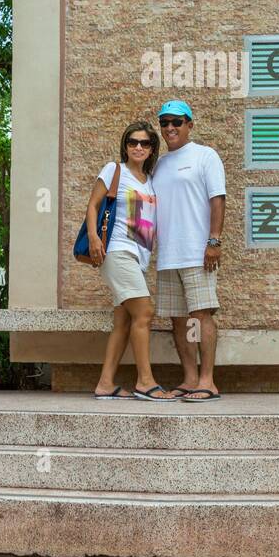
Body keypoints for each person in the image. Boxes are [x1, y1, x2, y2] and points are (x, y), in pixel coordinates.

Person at [86, 121, 176, 401]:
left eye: (145, 143)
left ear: (151, 149)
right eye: (132, 142)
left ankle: (105, 383)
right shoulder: (115, 171)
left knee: (124, 322)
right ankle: (145, 382)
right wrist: (93, 238)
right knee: (145, 312)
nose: (138, 147)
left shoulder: (149, 181)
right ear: (125, 146)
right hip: (117, 250)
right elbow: (93, 205)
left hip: (138, 258)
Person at [152, 100, 226, 401]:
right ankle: (190, 378)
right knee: (178, 320)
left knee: (200, 316)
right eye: (165, 122)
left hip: (198, 252)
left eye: (177, 122)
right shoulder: (159, 164)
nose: (170, 127)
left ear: (189, 125)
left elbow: (217, 199)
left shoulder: (205, 156)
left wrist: (214, 241)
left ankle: (208, 380)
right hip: (168, 255)